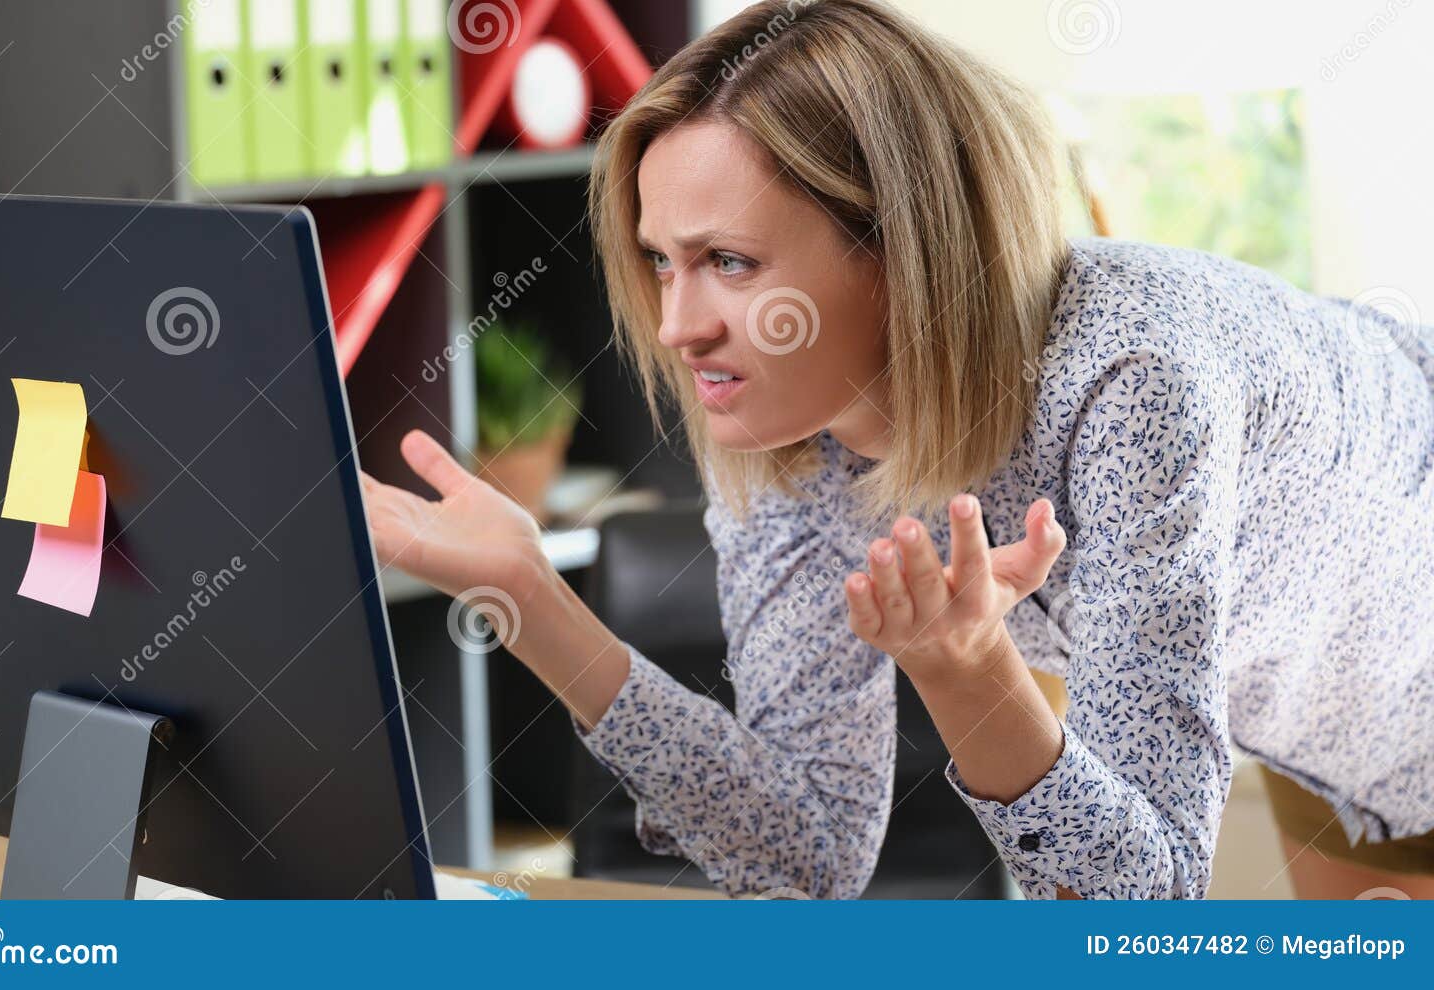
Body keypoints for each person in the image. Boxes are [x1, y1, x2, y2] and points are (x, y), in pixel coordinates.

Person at [360, 0, 1434, 899]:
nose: (677, 324)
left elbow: (1140, 917)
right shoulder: (794, 441)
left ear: (900, 248)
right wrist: (531, 597)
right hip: (1341, 749)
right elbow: (805, 852)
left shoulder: (1133, 377)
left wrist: (970, 679)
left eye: (728, 262)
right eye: (660, 262)